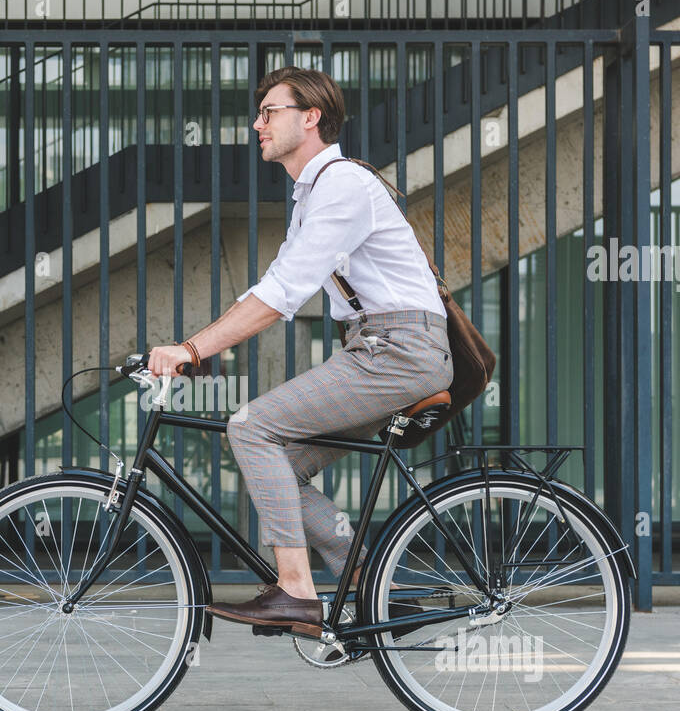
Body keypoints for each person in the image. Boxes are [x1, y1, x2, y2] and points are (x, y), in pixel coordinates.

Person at [147, 66, 452, 639]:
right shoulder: (312, 193)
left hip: (399, 349)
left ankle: (295, 592)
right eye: (258, 114)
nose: (256, 124)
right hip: (381, 348)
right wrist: (204, 344)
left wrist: (191, 347)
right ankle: (368, 580)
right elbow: (272, 283)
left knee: (251, 428)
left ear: (310, 117)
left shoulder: (341, 184)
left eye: (270, 112)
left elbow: (283, 294)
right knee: (277, 468)